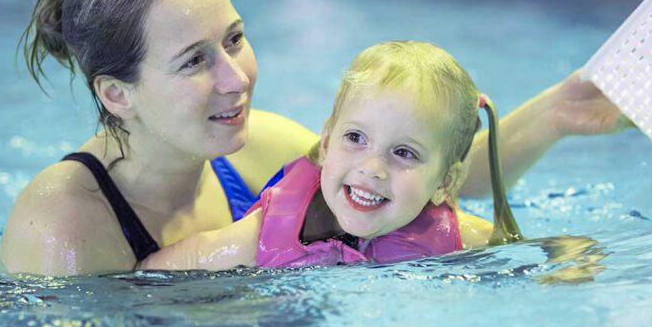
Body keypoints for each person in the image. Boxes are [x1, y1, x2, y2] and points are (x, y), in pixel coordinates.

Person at [0, 0, 628, 276]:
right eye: (194, 60)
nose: (235, 77)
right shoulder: (65, 230)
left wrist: (555, 116)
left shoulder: (255, 145)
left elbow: (421, 182)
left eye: (235, 40)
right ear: (116, 94)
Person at [139, 41, 523, 270]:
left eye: (404, 152)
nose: (372, 168)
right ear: (326, 143)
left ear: (445, 183)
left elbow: (541, 259)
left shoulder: (459, 238)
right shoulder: (264, 234)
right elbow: (167, 268)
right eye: (355, 137)